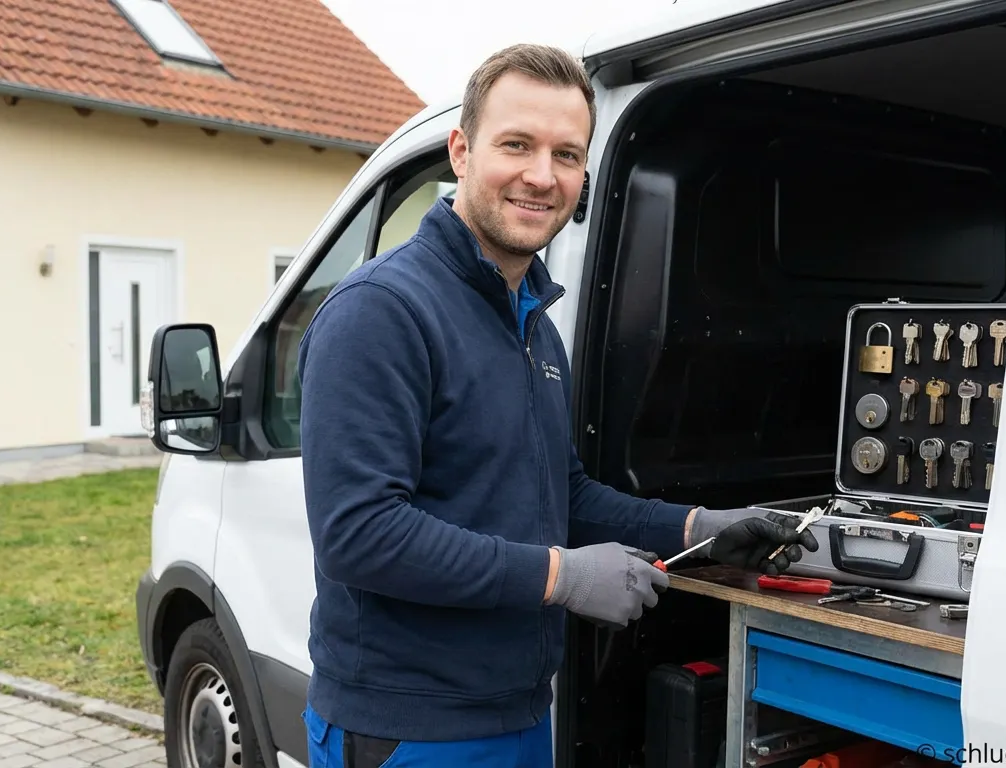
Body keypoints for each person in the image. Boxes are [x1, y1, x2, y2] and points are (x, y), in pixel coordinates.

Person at [295, 43, 819, 767]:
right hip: (409, 730)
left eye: (567, 154)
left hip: (517, 714)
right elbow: (361, 534)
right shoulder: (381, 311)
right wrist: (561, 577)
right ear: (461, 151)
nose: (542, 176)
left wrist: (698, 527)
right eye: (518, 145)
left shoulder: (532, 325)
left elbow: (559, 496)